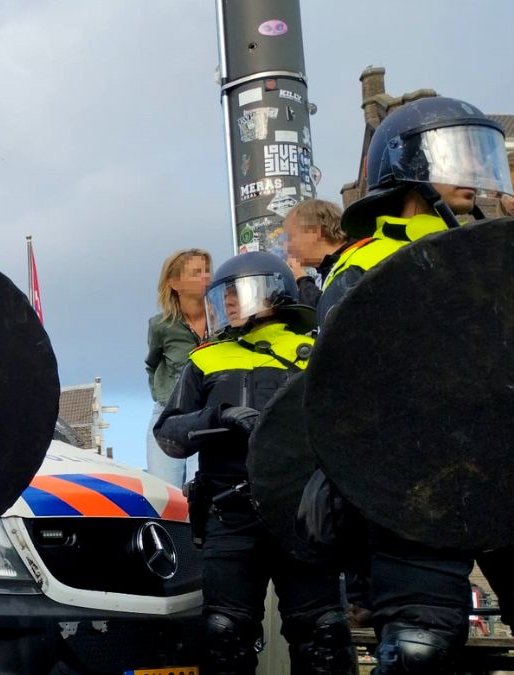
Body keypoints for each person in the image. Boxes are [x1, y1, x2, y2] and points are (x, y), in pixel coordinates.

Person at [314, 96, 514, 673]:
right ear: (408, 165)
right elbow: (338, 383)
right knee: (420, 645)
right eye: (456, 155)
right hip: (415, 477)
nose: (473, 174)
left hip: (503, 466)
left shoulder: (496, 258)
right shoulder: (363, 264)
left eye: (480, 156)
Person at [154, 252, 355, 675]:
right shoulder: (207, 358)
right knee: (223, 633)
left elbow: (348, 426)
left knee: (323, 634)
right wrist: (218, 416)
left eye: (237, 291)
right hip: (230, 513)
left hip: (302, 514)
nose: (228, 301)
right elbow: (169, 435)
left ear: (274, 291)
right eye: (222, 294)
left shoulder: (315, 349)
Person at [144, 249, 210, 488]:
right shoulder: (161, 326)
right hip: (169, 413)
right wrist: (163, 396)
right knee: (164, 491)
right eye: (196, 272)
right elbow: (152, 364)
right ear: (174, 283)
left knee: (202, 488)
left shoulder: (223, 320)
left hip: (208, 415)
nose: (206, 277)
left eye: (207, 270)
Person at [282, 199, 350, 309]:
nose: (286, 246)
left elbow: (331, 315)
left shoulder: (353, 264)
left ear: (313, 232)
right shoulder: (329, 270)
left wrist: (301, 280)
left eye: (290, 237)